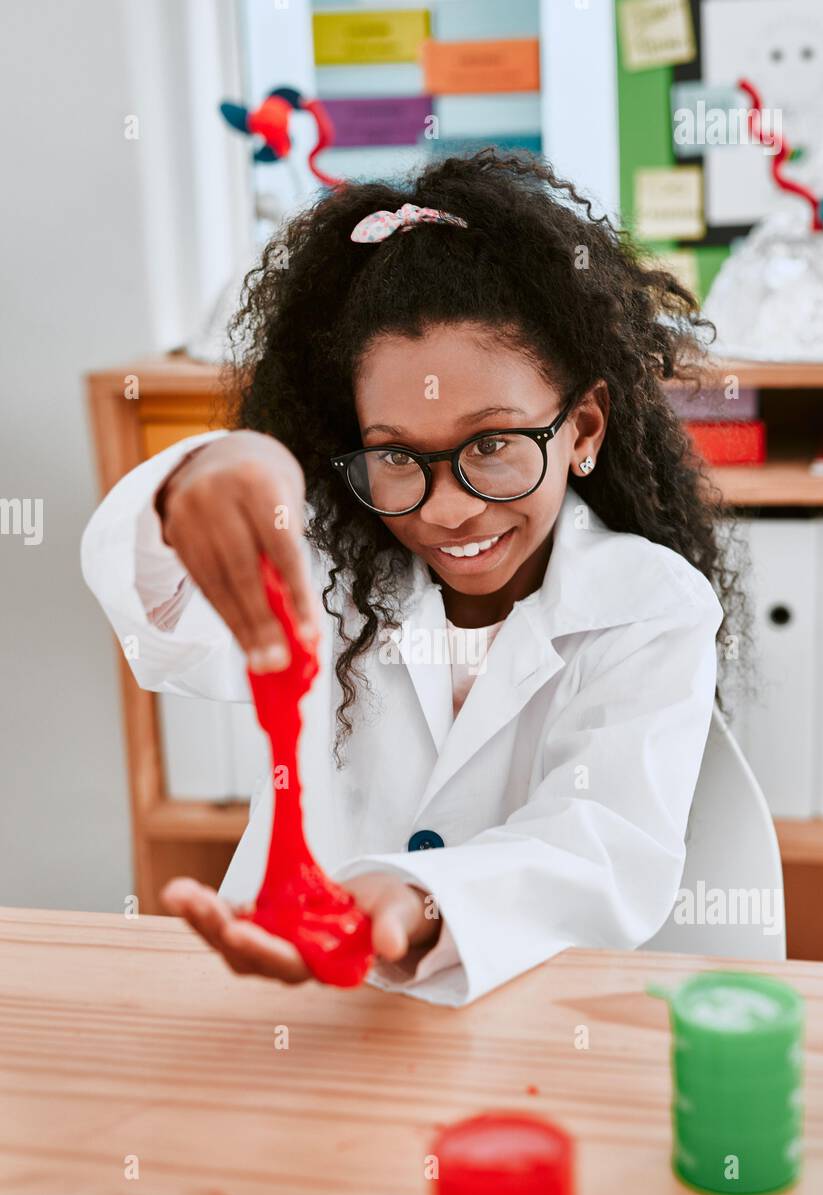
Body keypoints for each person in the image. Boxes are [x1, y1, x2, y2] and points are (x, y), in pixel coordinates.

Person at [81, 150, 738, 1007]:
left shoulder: (649, 609)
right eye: (396, 454)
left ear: (581, 427)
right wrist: (193, 485)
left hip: (512, 1021)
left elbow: (601, 843)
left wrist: (422, 901)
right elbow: (157, 622)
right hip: (291, 1016)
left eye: (493, 444)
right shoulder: (321, 569)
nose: (447, 508)